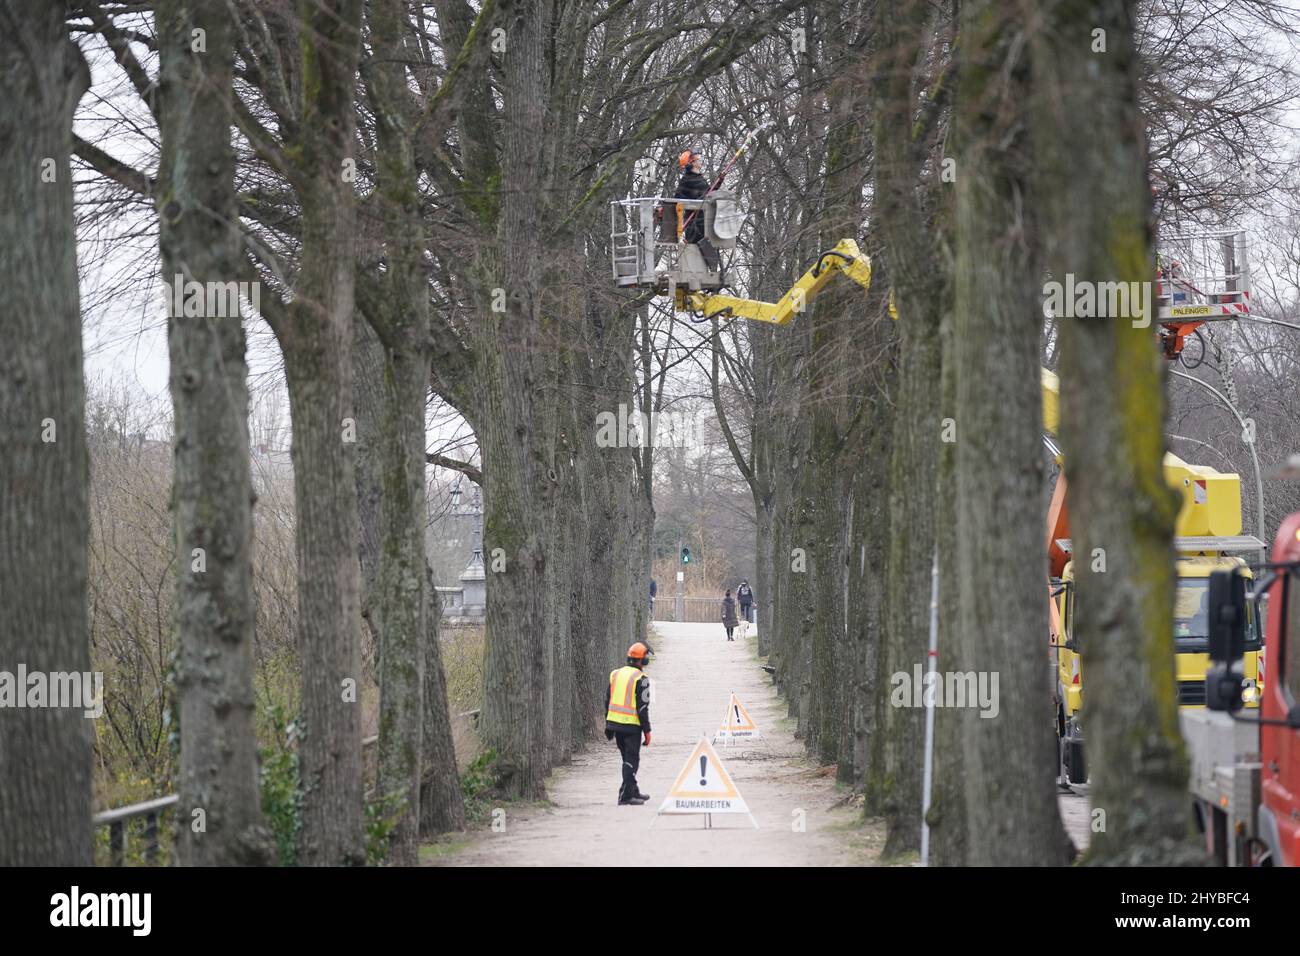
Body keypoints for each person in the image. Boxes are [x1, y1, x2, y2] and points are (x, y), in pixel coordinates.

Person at [604, 642, 653, 805]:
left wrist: (608, 723)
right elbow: (643, 708)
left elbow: (607, 700)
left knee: (626, 759)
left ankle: (633, 790)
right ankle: (625, 796)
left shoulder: (615, 674)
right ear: (642, 660)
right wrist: (647, 731)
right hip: (631, 726)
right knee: (632, 760)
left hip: (615, 724)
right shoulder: (642, 679)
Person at [674, 150, 721, 271]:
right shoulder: (686, 179)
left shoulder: (699, 178)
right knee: (699, 244)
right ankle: (707, 269)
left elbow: (707, 194)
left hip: (703, 218)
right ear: (692, 163)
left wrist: (719, 181)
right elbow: (678, 198)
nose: (700, 161)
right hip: (695, 221)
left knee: (708, 244)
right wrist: (694, 202)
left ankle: (711, 268)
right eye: (698, 159)